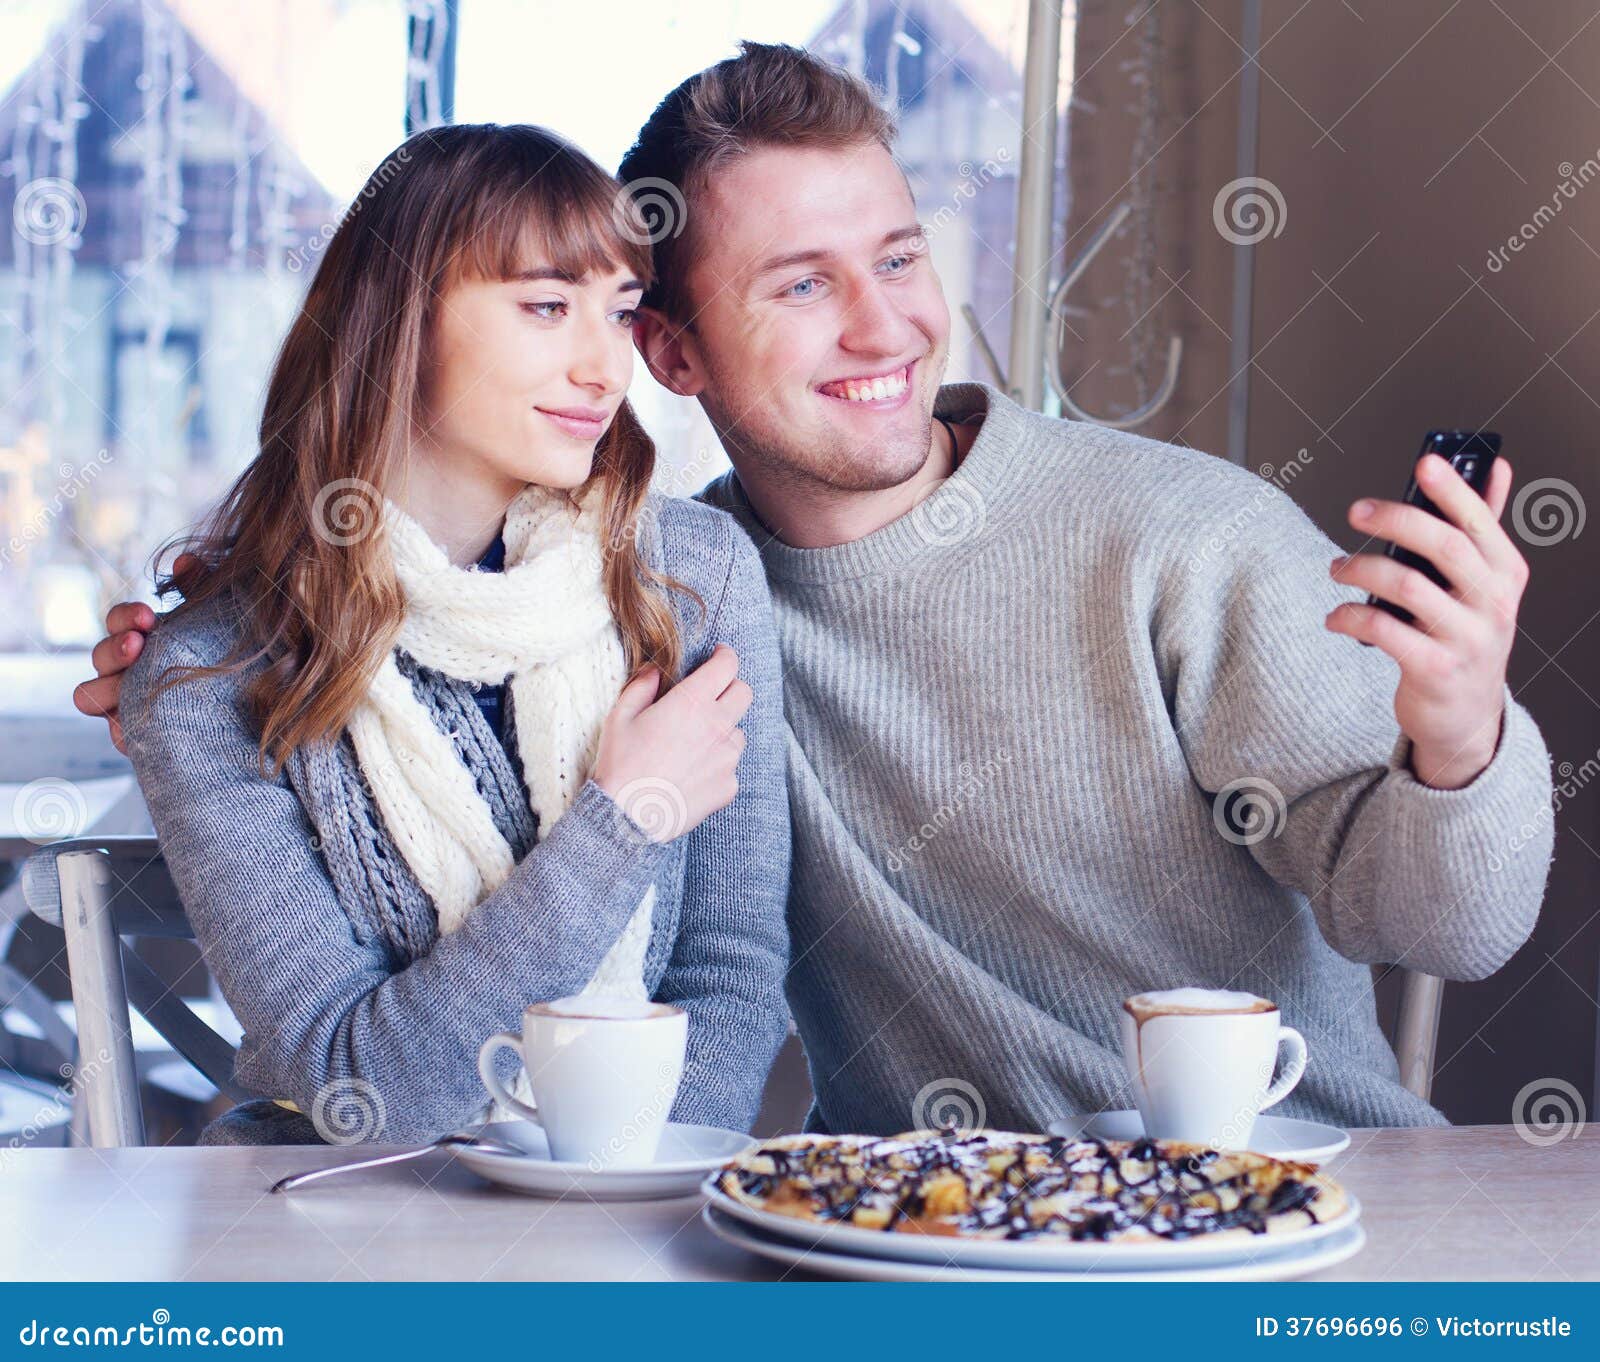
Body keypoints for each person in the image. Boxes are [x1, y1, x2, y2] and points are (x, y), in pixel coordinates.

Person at [83, 44, 1556, 1135]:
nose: (886, 324)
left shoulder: (1181, 538)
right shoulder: (687, 593)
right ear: (675, 357)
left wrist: (1460, 740)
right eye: (800, 283)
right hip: (920, 1248)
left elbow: (1451, 929)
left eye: (899, 257)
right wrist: (231, 632)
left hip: (1276, 1224)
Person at [93, 123, 791, 1146]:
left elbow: (727, 972)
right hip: (346, 1230)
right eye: (547, 307)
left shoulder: (693, 578)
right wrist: (621, 819)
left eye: (621, 310)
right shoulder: (206, 673)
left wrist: (627, 1189)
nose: (605, 367)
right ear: (402, 323)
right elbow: (354, 1085)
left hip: (636, 1213)